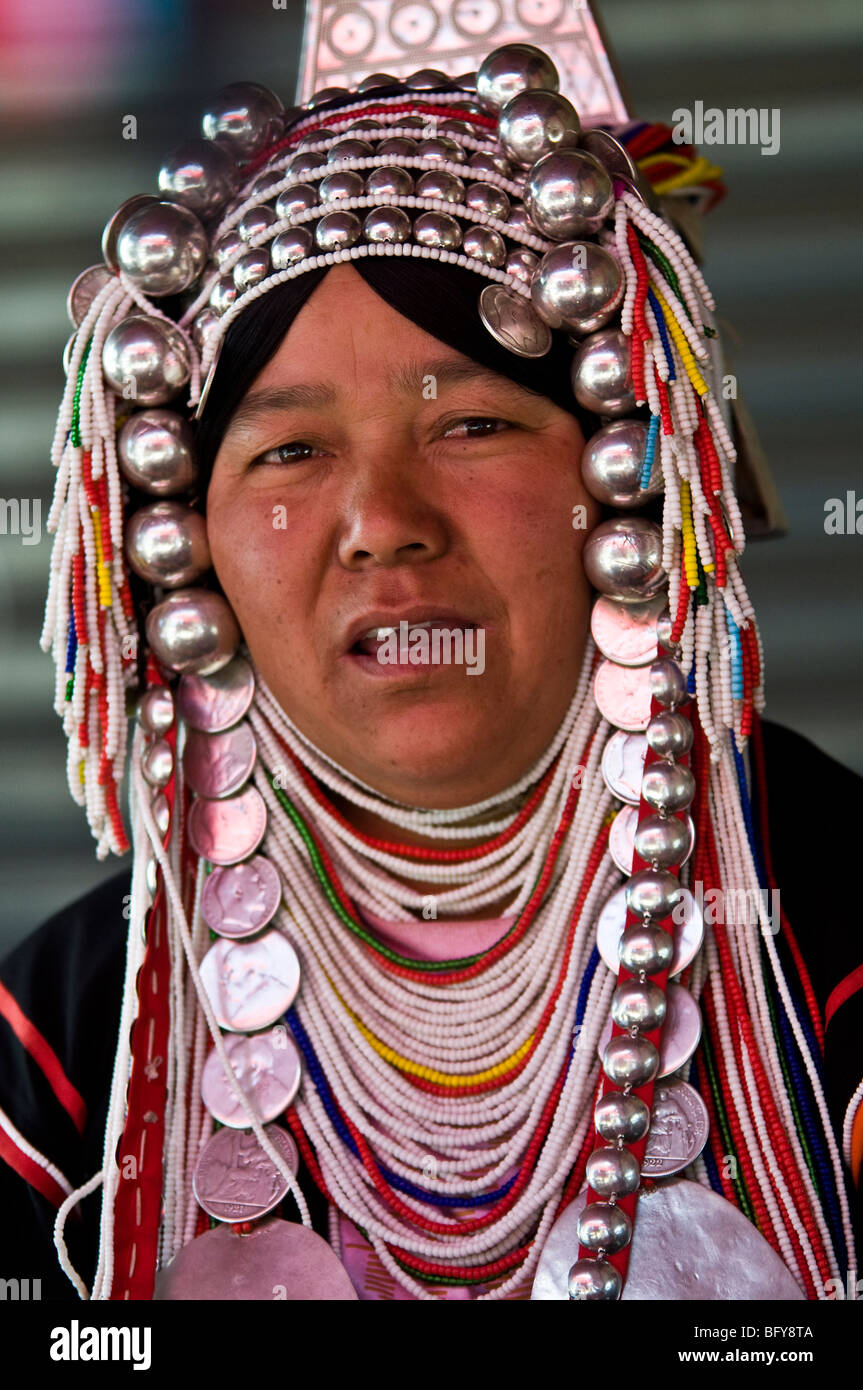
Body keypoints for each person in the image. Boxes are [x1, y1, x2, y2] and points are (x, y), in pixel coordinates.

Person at [1, 44, 860, 1303]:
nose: (381, 520)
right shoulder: (72, 1050)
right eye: (287, 449)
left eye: (470, 424)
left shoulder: (823, 942)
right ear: (187, 545)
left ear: (623, 471)